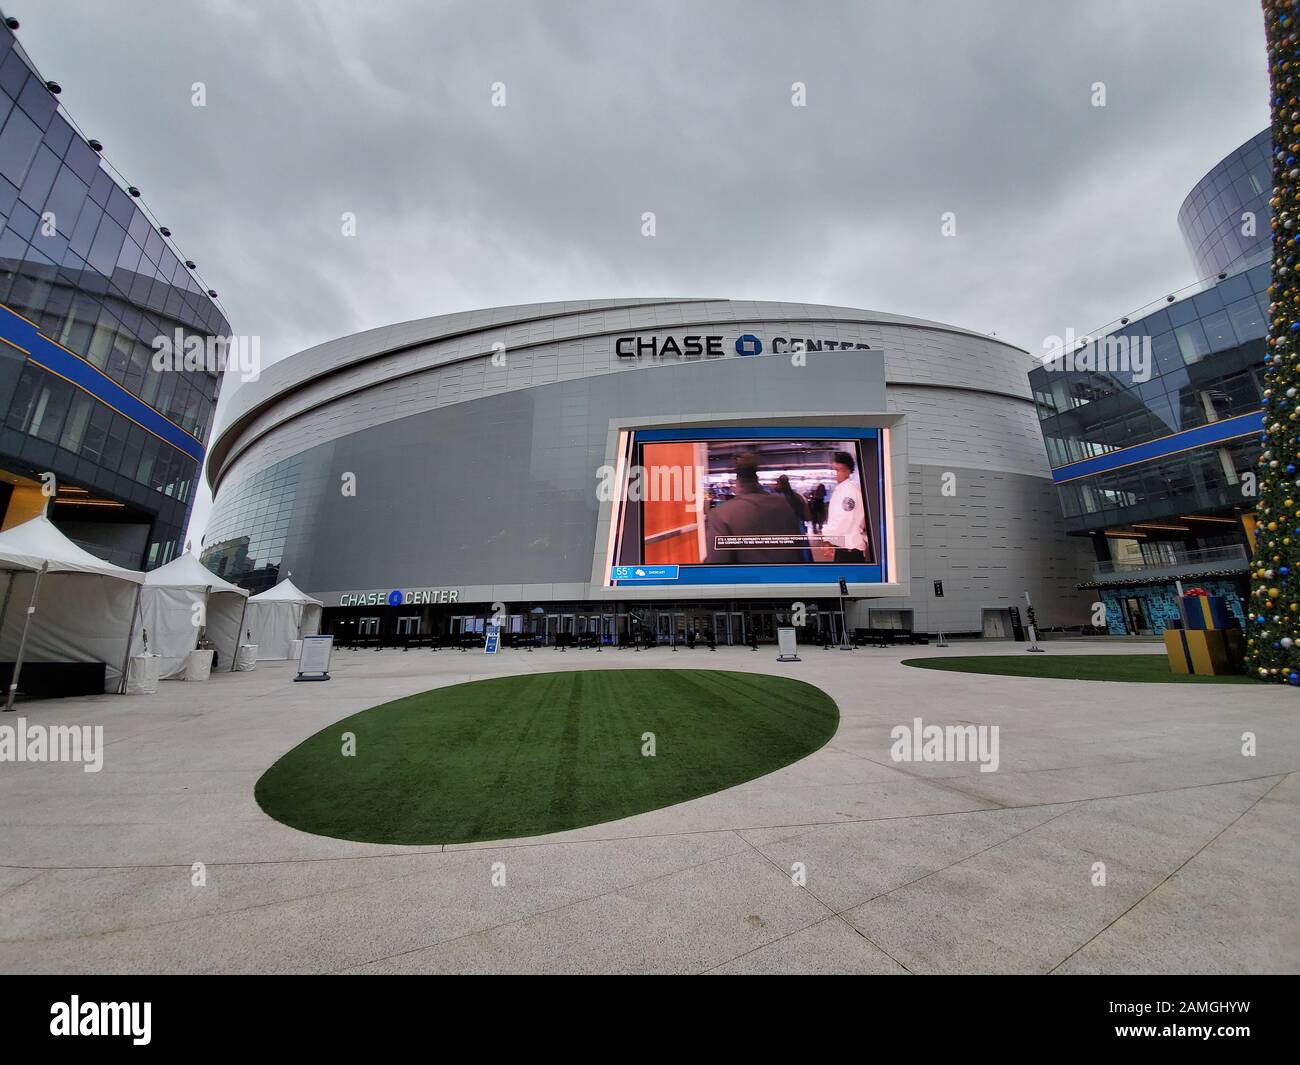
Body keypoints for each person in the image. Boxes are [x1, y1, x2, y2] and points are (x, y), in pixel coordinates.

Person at [704, 452, 807, 564]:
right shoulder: (783, 504)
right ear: (756, 478)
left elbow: (718, 563)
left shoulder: (721, 514)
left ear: (737, 482)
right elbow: (797, 546)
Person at [817, 451, 870, 563]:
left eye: (838, 470)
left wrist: (827, 538)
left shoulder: (848, 492)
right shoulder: (843, 489)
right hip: (846, 547)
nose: (835, 474)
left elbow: (844, 520)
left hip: (849, 549)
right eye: (834, 470)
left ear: (848, 471)